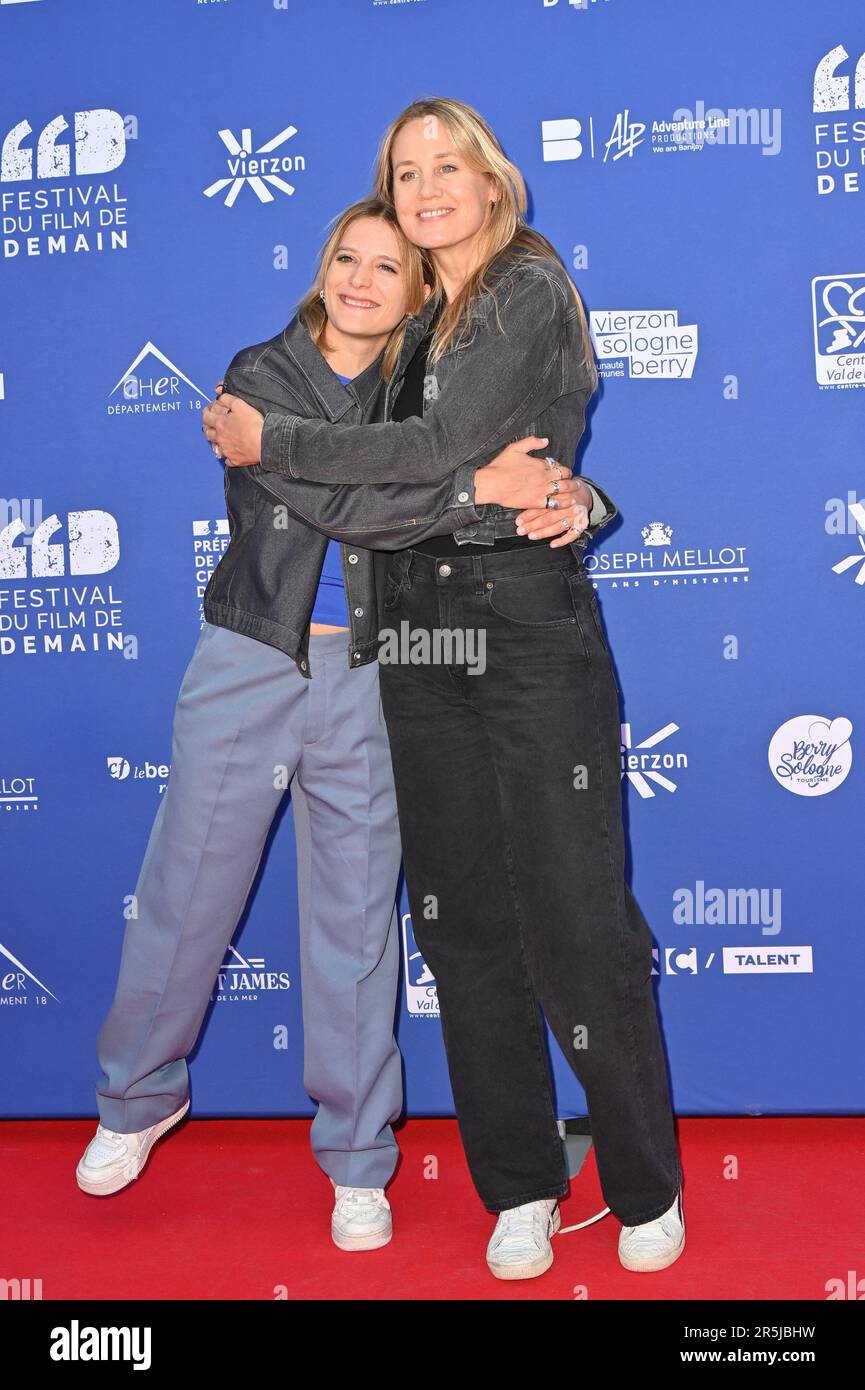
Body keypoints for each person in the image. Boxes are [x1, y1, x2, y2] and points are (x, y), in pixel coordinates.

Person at [204, 97, 685, 1281]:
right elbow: (392, 495)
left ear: (490, 179)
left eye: (445, 167)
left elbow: (429, 452)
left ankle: (642, 1183)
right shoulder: (409, 316)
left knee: (577, 918)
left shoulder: (528, 288)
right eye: (404, 172)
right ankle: (519, 1184)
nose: (424, 189)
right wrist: (527, 492)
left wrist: (278, 445)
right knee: (462, 924)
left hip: (528, 634)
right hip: (415, 645)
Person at [77, 196, 600, 1255]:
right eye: (344, 258)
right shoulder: (259, 378)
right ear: (320, 270)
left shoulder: (427, 386)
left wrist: (572, 492)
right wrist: (459, 487)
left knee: (358, 926)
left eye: (386, 265)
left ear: (418, 292)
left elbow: (491, 467)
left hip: (377, 670)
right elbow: (340, 498)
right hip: (251, 653)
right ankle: (134, 1099)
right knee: (184, 893)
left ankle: (358, 1159)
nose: (360, 278)